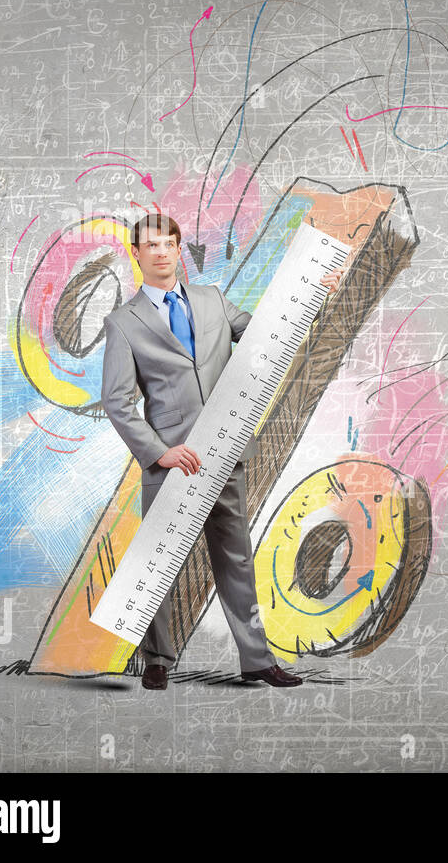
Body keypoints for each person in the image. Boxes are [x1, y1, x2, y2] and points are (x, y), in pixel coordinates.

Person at [100, 213, 344, 689]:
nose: (162, 251)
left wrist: (316, 294)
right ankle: (156, 659)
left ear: (177, 248)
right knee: (160, 559)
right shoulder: (122, 323)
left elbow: (265, 334)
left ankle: (257, 659)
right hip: (172, 459)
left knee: (236, 557)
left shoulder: (212, 299)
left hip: (226, 451)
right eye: (151, 244)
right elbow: (117, 400)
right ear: (137, 253)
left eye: (169, 241)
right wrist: (157, 452)